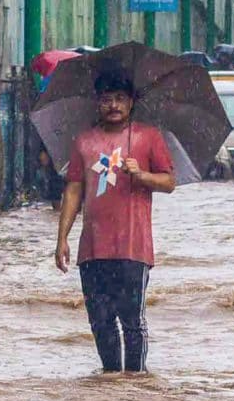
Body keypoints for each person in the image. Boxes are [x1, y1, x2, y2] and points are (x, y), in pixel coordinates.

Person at [55, 70, 176, 373]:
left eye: (120, 99)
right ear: (97, 103)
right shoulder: (84, 141)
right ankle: (110, 382)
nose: (113, 106)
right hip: (93, 248)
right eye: (107, 99)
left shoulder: (148, 137)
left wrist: (142, 175)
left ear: (131, 102)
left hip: (133, 247)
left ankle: (134, 384)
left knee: (132, 321)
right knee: (100, 320)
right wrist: (62, 239)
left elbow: (169, 182)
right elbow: (73, 190)